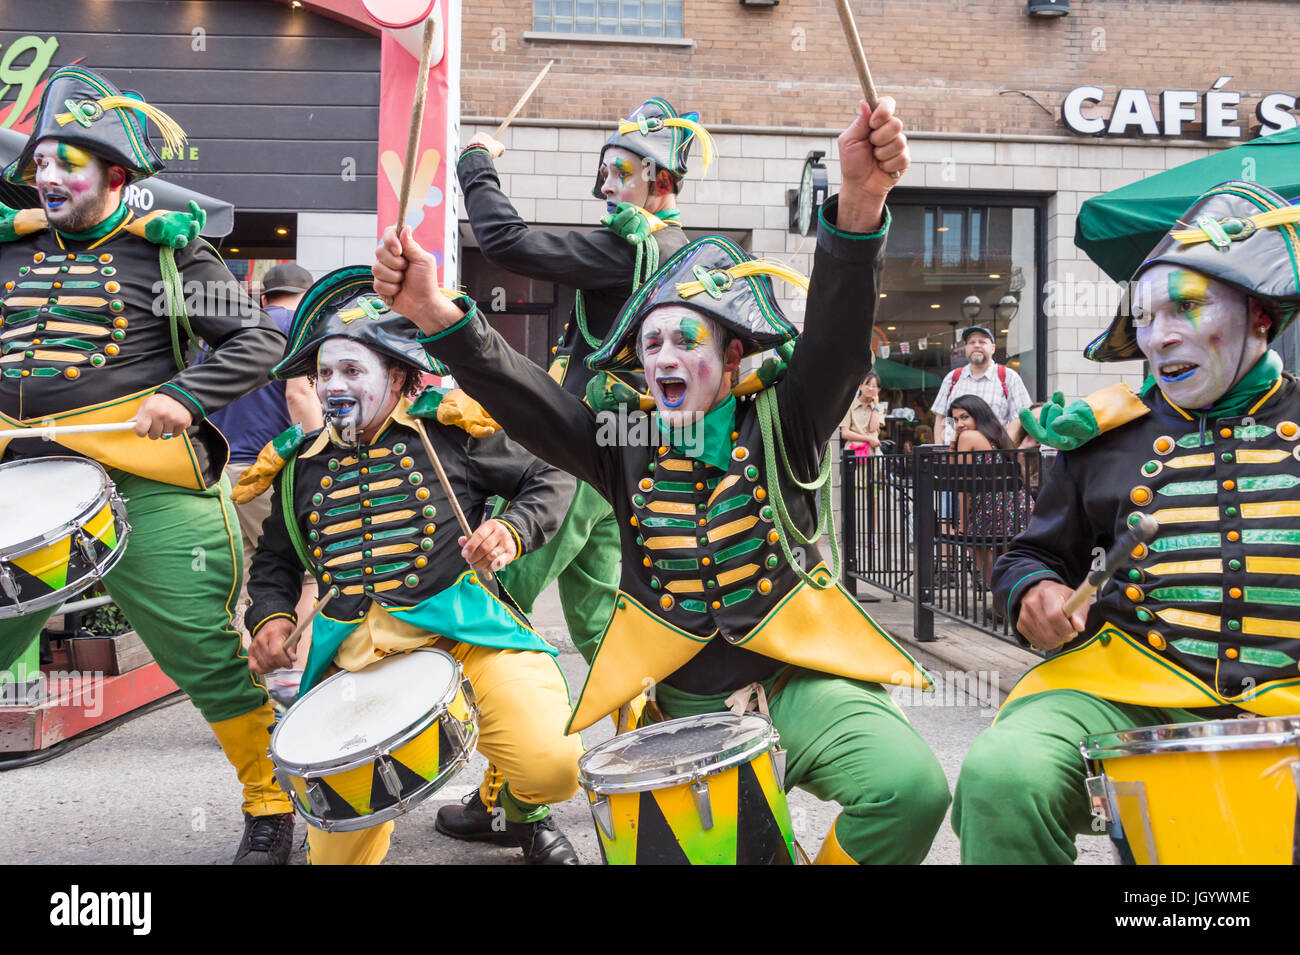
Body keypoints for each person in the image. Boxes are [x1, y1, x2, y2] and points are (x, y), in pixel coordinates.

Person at [377, 97, 953, 865]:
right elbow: (522, 392)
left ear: (733, 352)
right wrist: (429, 309)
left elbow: (841, 339)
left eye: (686, 337)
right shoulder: (625, 439)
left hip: (798, 683)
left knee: (910, 788)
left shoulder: (787, 417)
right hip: (681, 702)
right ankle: (515, 796)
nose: (664, 356)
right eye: (649, 344)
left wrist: (859, 202)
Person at [952, 180, 1300, 863]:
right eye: (1143, 318)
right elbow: (1031, 555)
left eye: (1186, 309)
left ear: (1260, 315)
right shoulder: (1107, 434)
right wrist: (1032, 593)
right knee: (1004, 774)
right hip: (1135, 689)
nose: (1158, 336)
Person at [0, 66, 294, 863]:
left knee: (200, 647)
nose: (48, 176)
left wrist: (190, 395)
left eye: (68, 163)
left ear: (117, 176)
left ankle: (272, 803)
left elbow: (261, 341)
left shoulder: (165, 254)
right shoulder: (9, 250)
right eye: (41, 164)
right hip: (16, 483)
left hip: (137, 474)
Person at [240, 266, 582, 865]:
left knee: (554, 767)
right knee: (336, 859)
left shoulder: (450, 430)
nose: (334, 387)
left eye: (352, 370)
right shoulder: (298, 465)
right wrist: (268, 615)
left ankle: (515, 810)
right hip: (354, 660)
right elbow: (274, 558)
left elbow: (549, 471)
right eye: (324, 374)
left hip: (466, 633)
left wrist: (511, 529)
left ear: (396, 376)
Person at [439, 98, 701, 845]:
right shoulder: (672, 249)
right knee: (604, 634)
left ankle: (517, 805)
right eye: (602, 173)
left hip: (579, 463)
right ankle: (674, 780)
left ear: (658, 177)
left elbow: (504, 238)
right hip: (615, 466)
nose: (605, 189)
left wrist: (476, 160)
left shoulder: (630, 249)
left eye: (618, 171)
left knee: (499, 618)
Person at [207, 261, 323, 608]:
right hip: (270, 468)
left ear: (265, 295)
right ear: (306, 296)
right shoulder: (301, 327)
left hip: (223, 470)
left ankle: (252, 657)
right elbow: (298, 394)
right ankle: (298, 662)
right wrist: (318, 452)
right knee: (302, 569)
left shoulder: (233, 330)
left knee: (247, 577)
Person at [947, 394, 1031, 586]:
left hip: (993, 509)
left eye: (965, 417)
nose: (959, 424)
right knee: (1001, 551)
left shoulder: (969, 437)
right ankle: (1009, 592)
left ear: (978, 415)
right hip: (1018, 509)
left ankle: (998, 592)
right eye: (956, 419)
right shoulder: (996, 435)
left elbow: (961, 484)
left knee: (973, 542)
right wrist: (954, 440)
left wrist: (961, 525)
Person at [930, 325, 1032, 445]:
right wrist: (940, 452)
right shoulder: (952, 378)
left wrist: (1005, 451)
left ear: (993, 348)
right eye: (971, 342)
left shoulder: (1008, 377)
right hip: (954, 457)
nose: (976, 345)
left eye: (982, 342)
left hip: (992, 458)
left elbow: (1018, 419)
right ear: (966, 348)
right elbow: (940, 418)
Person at [839, 371, 883, 456]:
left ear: (878, 390)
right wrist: (869, 439)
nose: (870, 388)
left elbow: (873, 428)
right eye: (867, 384)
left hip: (873, 454)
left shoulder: (879, 408)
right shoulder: (849, 405)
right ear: (860, 386)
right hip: (853, 453)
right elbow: (845, 433)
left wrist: (876, 406)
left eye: (874, 386)